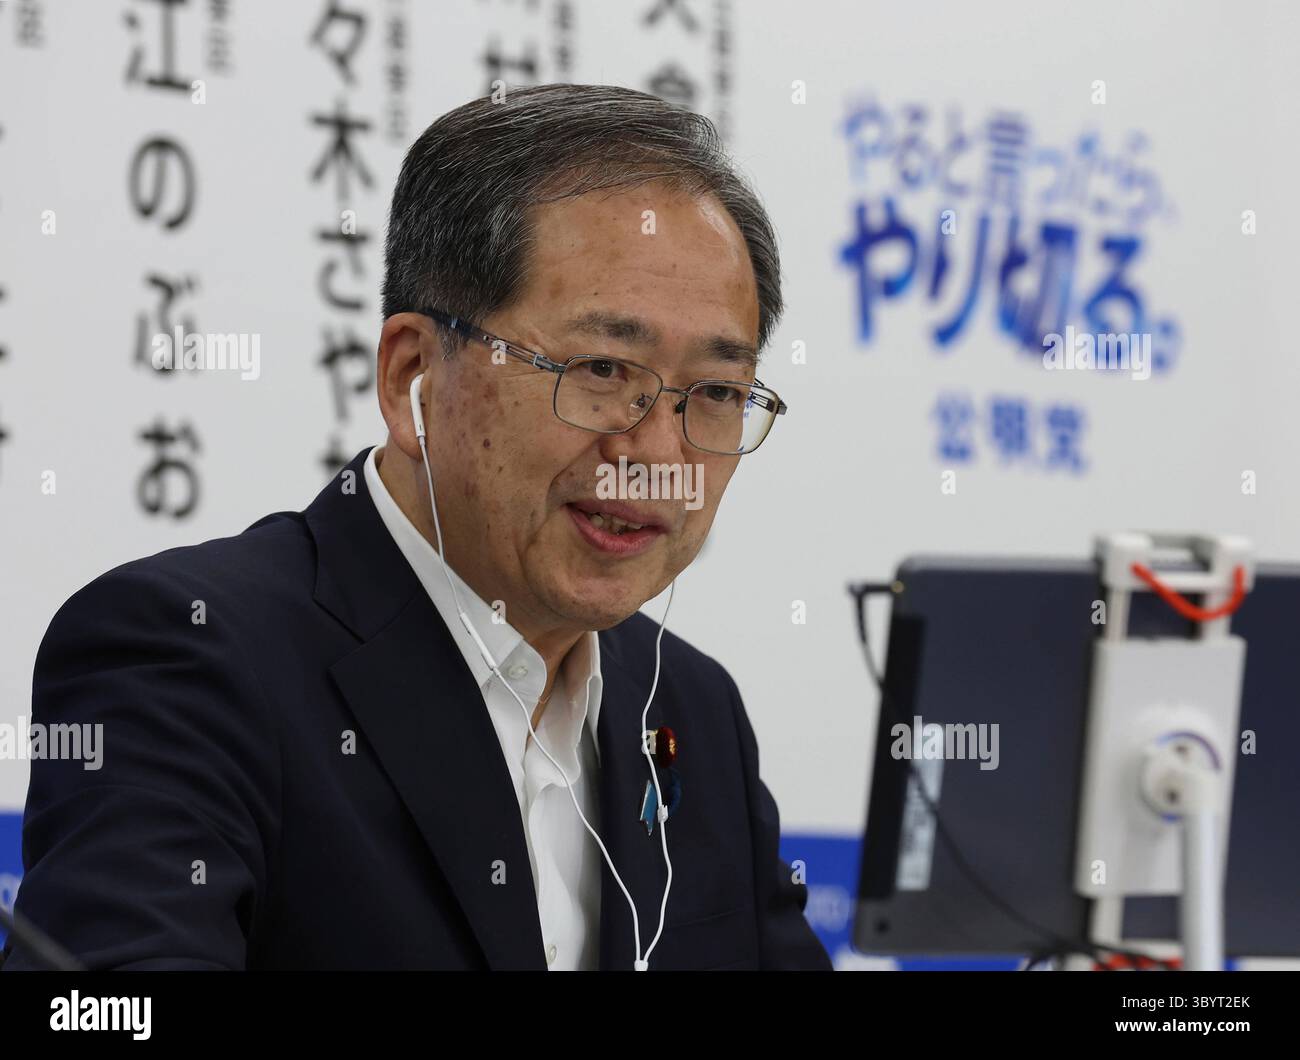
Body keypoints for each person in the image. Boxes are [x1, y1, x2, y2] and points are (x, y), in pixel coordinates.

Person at [3, 83, 831, 971]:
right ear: (412, 377)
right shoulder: (188, 659)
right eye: (601, 369)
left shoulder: (692, 711)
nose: (659, 452)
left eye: (717, 391)